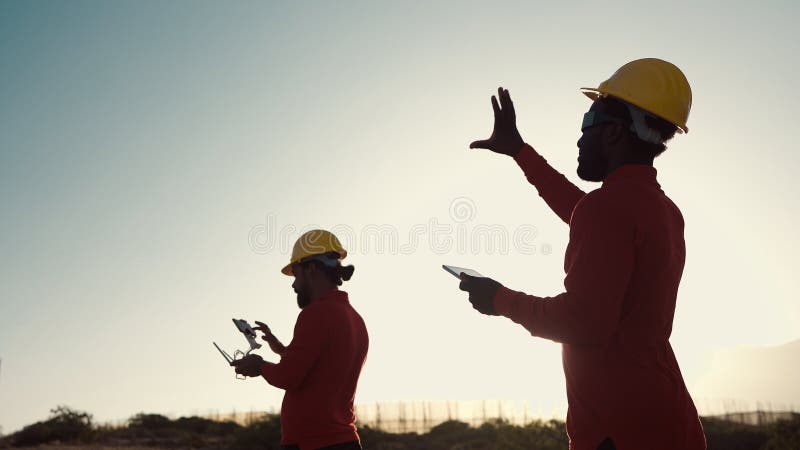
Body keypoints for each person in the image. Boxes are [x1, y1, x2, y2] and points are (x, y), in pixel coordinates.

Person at [459, 59, 706, 450]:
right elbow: (582, 212)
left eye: (588, 121)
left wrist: (499, 299)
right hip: (669, 424)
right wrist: (520, 152)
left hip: (620, 434)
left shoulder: (607, 208)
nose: (579, 137)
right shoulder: (662, 210)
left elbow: (583, 322)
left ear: (614, 132)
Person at [232, 229, 369, 450]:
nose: (293, 284)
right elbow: (319, 367)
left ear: (311, 268)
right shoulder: (354, 318)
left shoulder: (316, 313)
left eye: (296, 274)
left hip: (314, 443)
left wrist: (258, 365)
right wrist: (279, 348)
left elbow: (288, 376)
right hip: (343, 441)